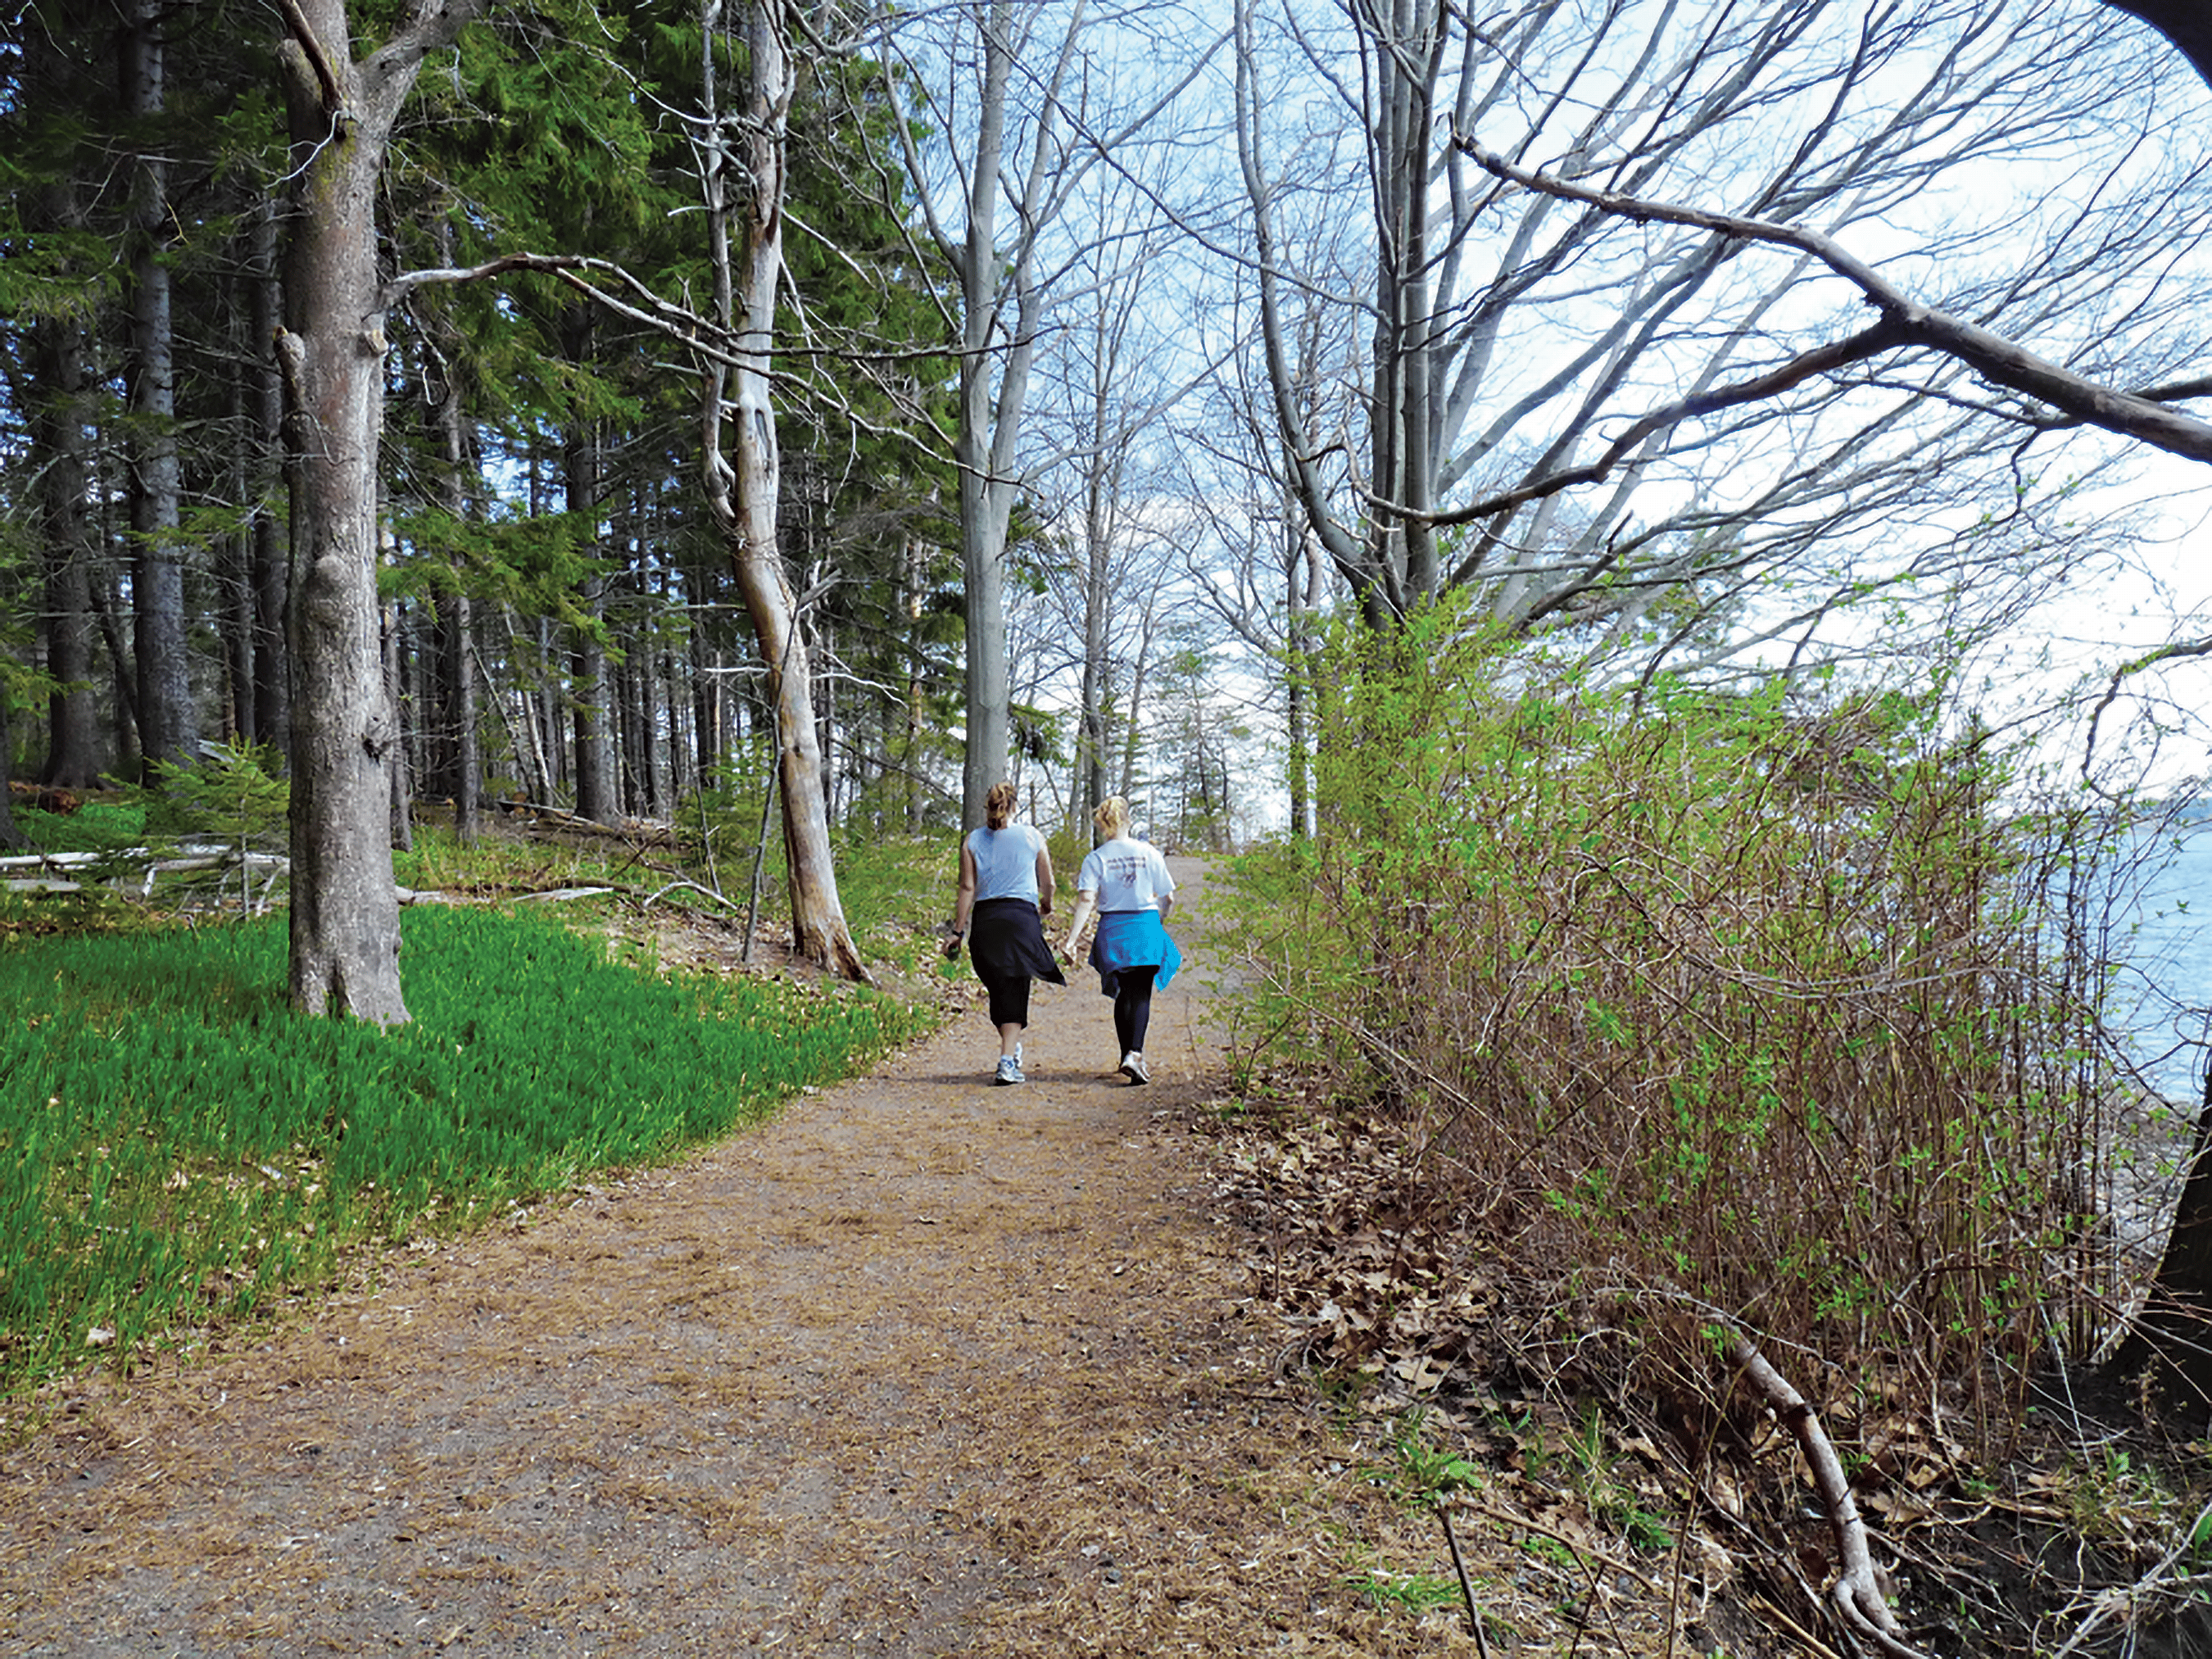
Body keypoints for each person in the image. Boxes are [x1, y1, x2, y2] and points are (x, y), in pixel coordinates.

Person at [945, 781, 1064, 1085]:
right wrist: (1047, 905)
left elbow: (967, 888)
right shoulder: (1032, 836)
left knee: (1000, 989)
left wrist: (957, 931)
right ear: (1014, 805)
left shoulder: (972, 840)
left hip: (986, 922)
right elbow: (1048, 883)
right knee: (1012, 989)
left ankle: (1009, 1051)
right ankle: (1007, 1060)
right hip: (1021, 918)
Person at [1059, 796, 1181, 1085]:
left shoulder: (1097, 858)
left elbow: (1087, 900)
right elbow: (1169, 897)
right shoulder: (1148, 852)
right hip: (1145, 926)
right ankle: (1134, 1055)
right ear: (1128, 820)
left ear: (1103, 824)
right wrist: (1162, 918)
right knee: (1140, 993)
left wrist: (1071, 939)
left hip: (1113, 929)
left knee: (1124, 992)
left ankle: (1128, 1055)